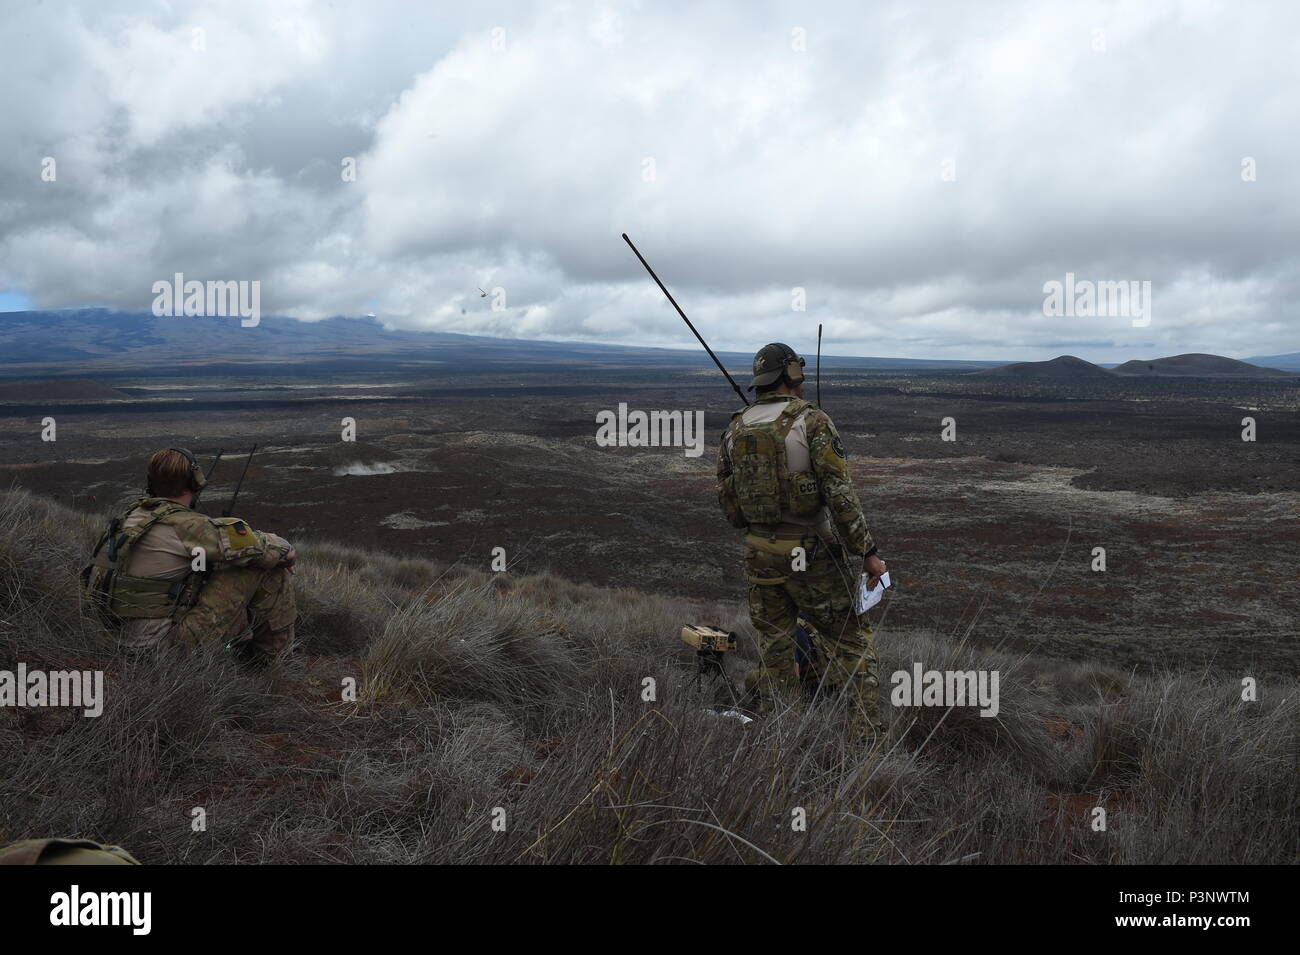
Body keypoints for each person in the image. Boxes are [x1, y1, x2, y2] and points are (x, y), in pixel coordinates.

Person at [716, 343, 887, 740]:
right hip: (809, 553)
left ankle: (782, 735)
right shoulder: (812, 422)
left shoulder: (734, 428)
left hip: (759, 555)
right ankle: (865, 746)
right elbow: (840, 496)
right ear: (791, 375)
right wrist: (868, 553)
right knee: (853, 643)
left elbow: (730, 509)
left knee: (776, 648)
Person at [81, 448, 296, 662]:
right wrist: (285, 554)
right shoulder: (188, 526)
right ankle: (270, 663)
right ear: (195, 481)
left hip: (107, 640)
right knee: (260, 565)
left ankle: (242, 643)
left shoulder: (129, 517)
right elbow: (266, 548)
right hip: (158, 651)